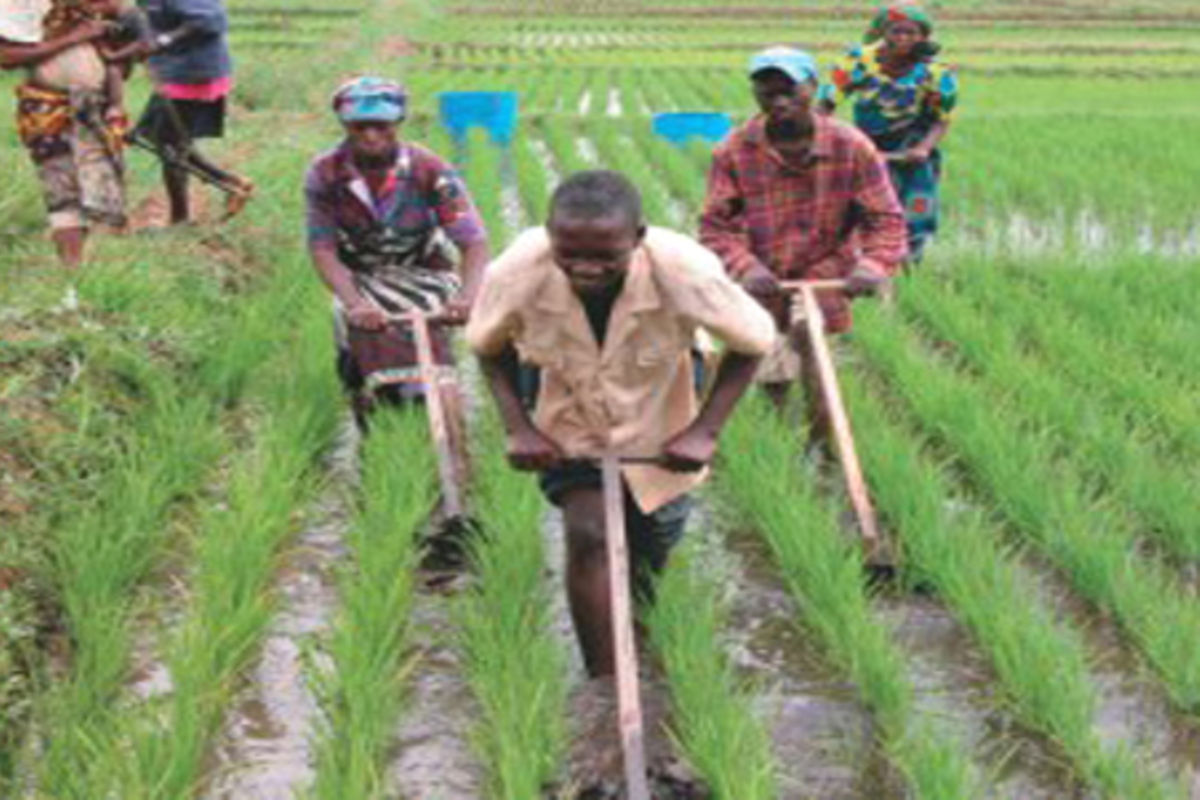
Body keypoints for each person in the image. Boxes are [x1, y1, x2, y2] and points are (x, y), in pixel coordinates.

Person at [467, 170, 775, 677]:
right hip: (570, 411)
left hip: (660, 408)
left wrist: (705, 431)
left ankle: (640, 621)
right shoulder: (517, 271)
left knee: (649, 543)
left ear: (638, 237)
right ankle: (606, 682)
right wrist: (519, 427)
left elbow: (754, 344)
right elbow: (487, 348)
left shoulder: (686, 271)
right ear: (549, 234)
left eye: (605, 255)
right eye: (570, 253)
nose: (585, 267)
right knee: (589, 534)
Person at [699, 46, 907, 418]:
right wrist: (745, 266)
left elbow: (885, 218)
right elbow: (715, 227)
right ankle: (777, 432)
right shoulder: (733, 150)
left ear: (812, 87)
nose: (779, 101)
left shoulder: (851, 146)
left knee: (817, 363)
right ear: (755, 93)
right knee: (766, 361)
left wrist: (874, 265)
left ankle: (820, 435)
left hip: (826, 273)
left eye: (790, 90)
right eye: (767, 92)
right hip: (763, 277)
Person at [304, 77, 490, 430]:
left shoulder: (429, 169)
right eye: (360, 126)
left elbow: (473, 241)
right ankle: (364, 400)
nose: (371, 135)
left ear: (397, 124)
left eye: (381, 126)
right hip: (362, 277)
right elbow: (323, 248)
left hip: (425, 272)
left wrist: (467, 297)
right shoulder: (324, 173)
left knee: (432, 342)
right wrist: (355, 302)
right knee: (349, 326)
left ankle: (436, 407)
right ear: (345, 125)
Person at [1, 0, 138, 269]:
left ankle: (88, 269)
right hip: (48, 109)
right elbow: (6, 57)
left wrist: (116, 51)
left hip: (93, 108)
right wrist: (75, 38)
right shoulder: (23, 7)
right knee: (62, 190)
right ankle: (72, 269)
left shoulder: (92, 11)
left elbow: (123, 65)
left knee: (97, 190)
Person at [818, 3, 958, 264]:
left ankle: (912, 259)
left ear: (923, 37)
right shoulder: (858, 60)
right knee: (857, 202)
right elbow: (827, 104)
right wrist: (826, 137)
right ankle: (858, 257)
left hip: (911, 141)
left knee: (918, 202)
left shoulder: (936, 72)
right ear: (884, 32)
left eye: (911, 33)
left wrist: (924, 148)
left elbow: (942, 119)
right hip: (866, 138)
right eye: (896, 32)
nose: (903, 39)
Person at [123, 0, 253, 224]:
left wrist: (163, 40)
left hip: (193, 72)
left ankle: (181, 218)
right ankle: (229, 182)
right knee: (167, 141)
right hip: (173, 71)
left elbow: (210, 20)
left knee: (171, 145)